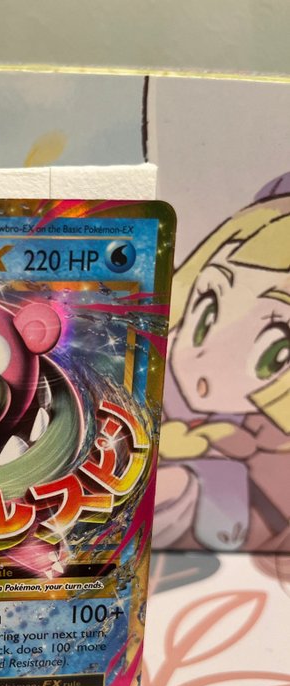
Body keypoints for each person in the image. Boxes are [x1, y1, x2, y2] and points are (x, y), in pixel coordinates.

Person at [154, 183, 290, 552]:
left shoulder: (260, 422)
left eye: (275, 354)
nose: (203, 365)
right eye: (207, 309)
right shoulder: (151, 369)